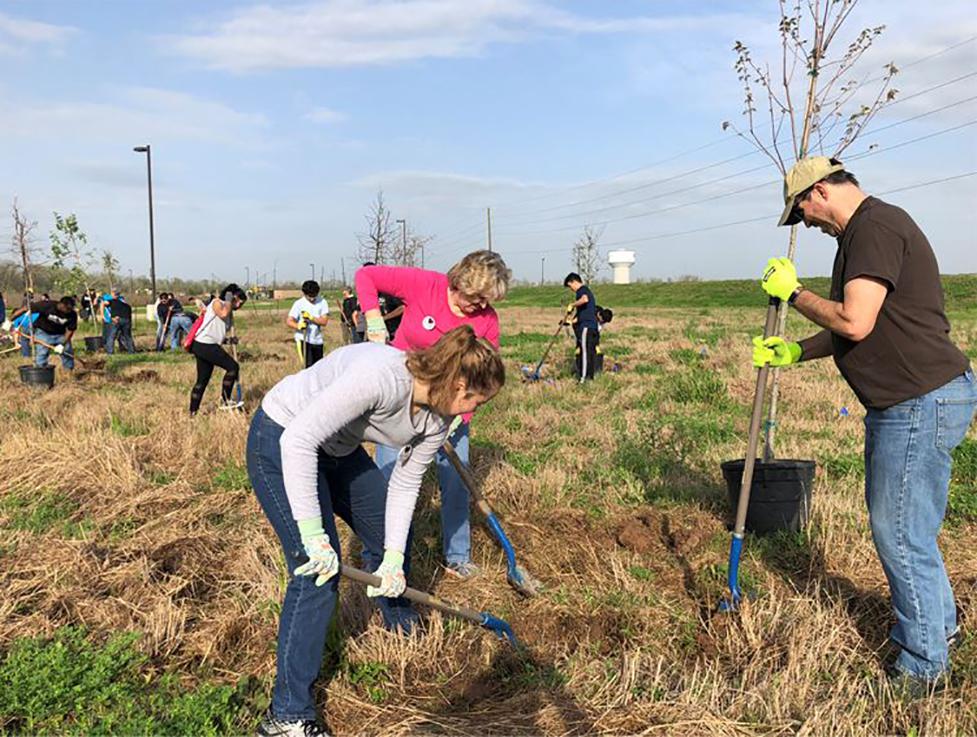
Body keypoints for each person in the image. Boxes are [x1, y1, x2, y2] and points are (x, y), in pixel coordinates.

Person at [753, 156, 975, 696]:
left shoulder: (875, 228)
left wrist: (793, 294)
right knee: (909, 530)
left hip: (917, 401)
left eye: (801, 212)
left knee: (899, 534)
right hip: (912, 400)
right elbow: (858, 328)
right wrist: (795, 351)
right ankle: (939, 629)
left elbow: (854, 320)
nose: (806, 224)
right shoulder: (862, 234)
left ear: (819, 191)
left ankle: (924, 665)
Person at [247, 326, 504, 737]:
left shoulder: (438, 419)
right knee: (318, 574)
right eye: (476, 400)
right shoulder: (381, 378)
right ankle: (287, 716)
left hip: (338, 450)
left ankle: (401, 627)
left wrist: (394, 559)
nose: (474, 409)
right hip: (282, 437)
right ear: (458, 385)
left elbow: (405, 482)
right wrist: (314, 537)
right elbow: (299, 440)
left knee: (389, 536)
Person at [355, 250, 510, 623]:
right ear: (461, 281)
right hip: (401, 403)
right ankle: (377, 553)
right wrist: (373, 318)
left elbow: (483, 379)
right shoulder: (425, 285)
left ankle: (458, 556)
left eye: (488, 299)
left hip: (452, 408)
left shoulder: (487, 320)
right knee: (388, 480)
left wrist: (460, 417)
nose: (481, 305)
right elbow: (366, 276)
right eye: (477, 296)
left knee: (455, 480)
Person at [188, 284, 247, 416]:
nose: (239, 306)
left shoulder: (229, 311)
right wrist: (228, 299)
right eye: (238, 302)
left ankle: (193, 412)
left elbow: (215, 332)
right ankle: (225, 400)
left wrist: (228, 340)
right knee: (233, 367)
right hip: (204, 344)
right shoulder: (217, 302)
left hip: (207, 344)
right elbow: (223, 313)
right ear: (232, 297)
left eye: (241, 304)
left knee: (202, 380)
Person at [10, 296, 77, 370]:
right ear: (61, 305)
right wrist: (10, 320)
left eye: (71, 309)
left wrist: (62, 344)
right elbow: (25, 308)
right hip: (43, 332)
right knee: (42, 352)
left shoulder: (72, 315)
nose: (69, 311)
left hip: (60, 334)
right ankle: (41, 370)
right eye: (67, 309)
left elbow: (70, 330)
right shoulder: (47, 305)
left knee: (67, 351)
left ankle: (68, 370)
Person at [285, 280, 330, 368]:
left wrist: (311, 318)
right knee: (308, 367)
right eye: (309, 296)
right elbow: (289, 321)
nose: (312, 298)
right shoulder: (298, 304)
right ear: (304, 294)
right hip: (303, 339)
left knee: (318, 367)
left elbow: (324, 322)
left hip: (317, 340)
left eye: (314, 295)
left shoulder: (322, 302)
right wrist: (298, 326)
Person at [563, 272, 599, 383]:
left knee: (585, 353)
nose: (571, 289)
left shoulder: (582, 290)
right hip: (591, 326)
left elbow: (584, 299)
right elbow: (582, 315)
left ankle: (583, 379)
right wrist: (570, 321)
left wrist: (572, 305)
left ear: (574, 282)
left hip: (586, 327)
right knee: (590, 353)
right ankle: (590, 378)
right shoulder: (586, 291)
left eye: (570, 286)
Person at [107, 289, 135, 354]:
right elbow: (129, 314)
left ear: (113, 294)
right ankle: (131, 351)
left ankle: (110, 352)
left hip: (117, 320)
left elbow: (103, 303)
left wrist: (107, 316)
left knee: (112, 336)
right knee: (128, 336)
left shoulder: (111, 301)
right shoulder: (126, 305)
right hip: (127, 320)